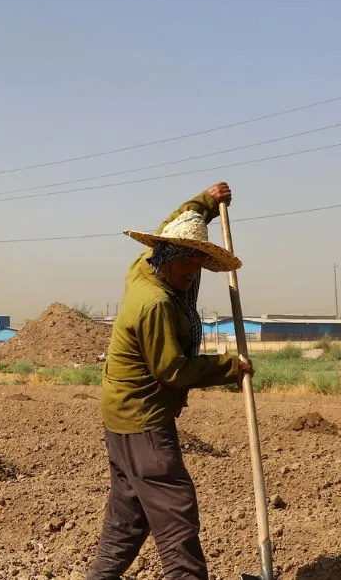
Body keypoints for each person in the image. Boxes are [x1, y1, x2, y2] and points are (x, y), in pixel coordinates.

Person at [88, 182, 255, 580]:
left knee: (128, 516)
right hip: (144, 421)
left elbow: (176, 224)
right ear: (165, 257)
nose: (193, 272)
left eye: (198, 263)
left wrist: (207, 202)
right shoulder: (155, 303)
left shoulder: (149, 266)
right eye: (187, 264)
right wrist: (230, 368)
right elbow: (173, 370)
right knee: (176, 517)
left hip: (122, 415)